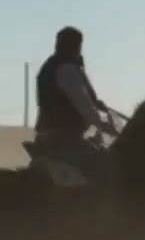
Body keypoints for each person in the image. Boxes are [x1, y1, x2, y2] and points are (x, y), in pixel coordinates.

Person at [32, 26, 118, 186]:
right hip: (66, 139)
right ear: (77, 46)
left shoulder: (49, 67)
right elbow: (85, 108)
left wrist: (95, 105)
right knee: (107, 165)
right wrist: (105, 126)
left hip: (47, 136)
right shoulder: (67, 70)